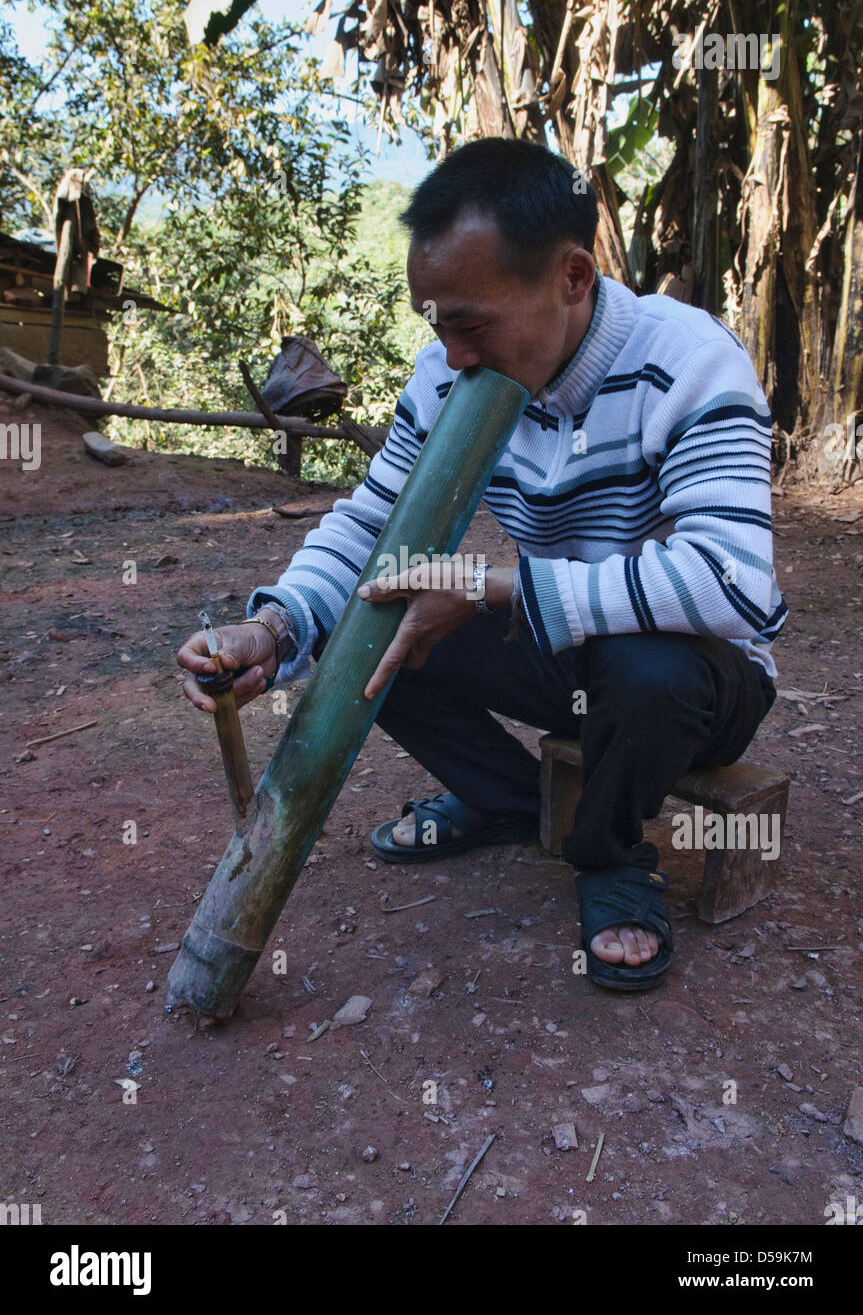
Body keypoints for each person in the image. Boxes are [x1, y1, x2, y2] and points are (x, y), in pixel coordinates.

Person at [177, 138, 786, 992]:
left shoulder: (688, 361)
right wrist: (273, 628)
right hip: (564, 653)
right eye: (439, 325)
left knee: (646, 663)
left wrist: (484, 586)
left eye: (473, 323)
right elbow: (370, 524)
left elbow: (731, 588)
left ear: (572, 279)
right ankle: (502, 796)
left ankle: (609, 855)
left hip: (695, 680)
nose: (454, 354)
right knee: (380, 616)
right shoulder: (451, 372)